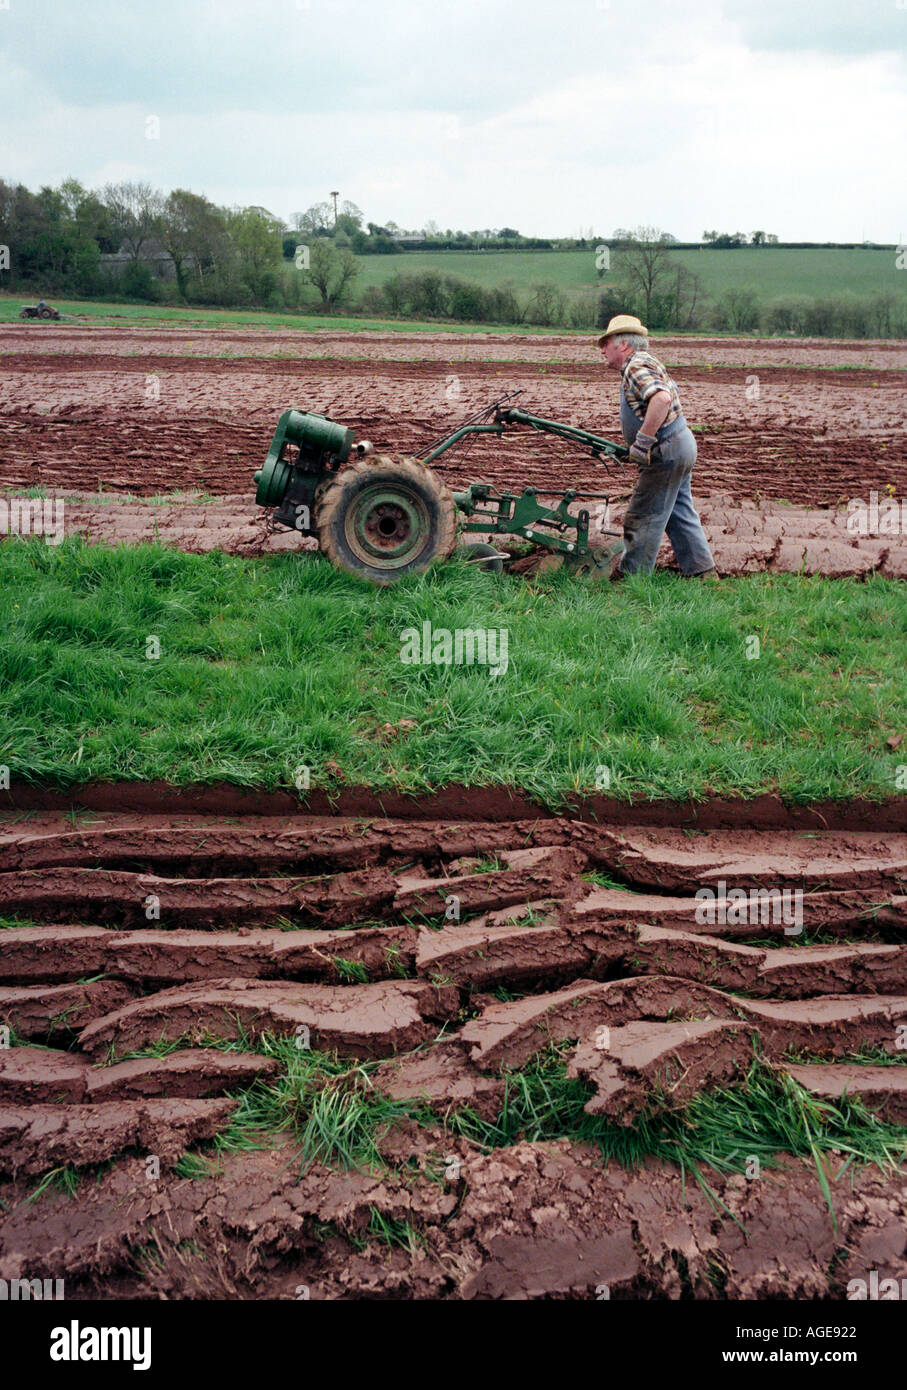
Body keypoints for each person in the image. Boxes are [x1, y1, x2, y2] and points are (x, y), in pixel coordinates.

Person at [597, 315, 717, 580]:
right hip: (680, 445)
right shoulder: (644, 362)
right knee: (679, 511)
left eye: (605, 343)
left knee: (643, 515)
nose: (602, 350)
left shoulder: (635, 365)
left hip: (665, 451)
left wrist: (642, 442)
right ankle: (703, 574)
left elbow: (661, 399)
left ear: (624, 344)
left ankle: (632, 580)